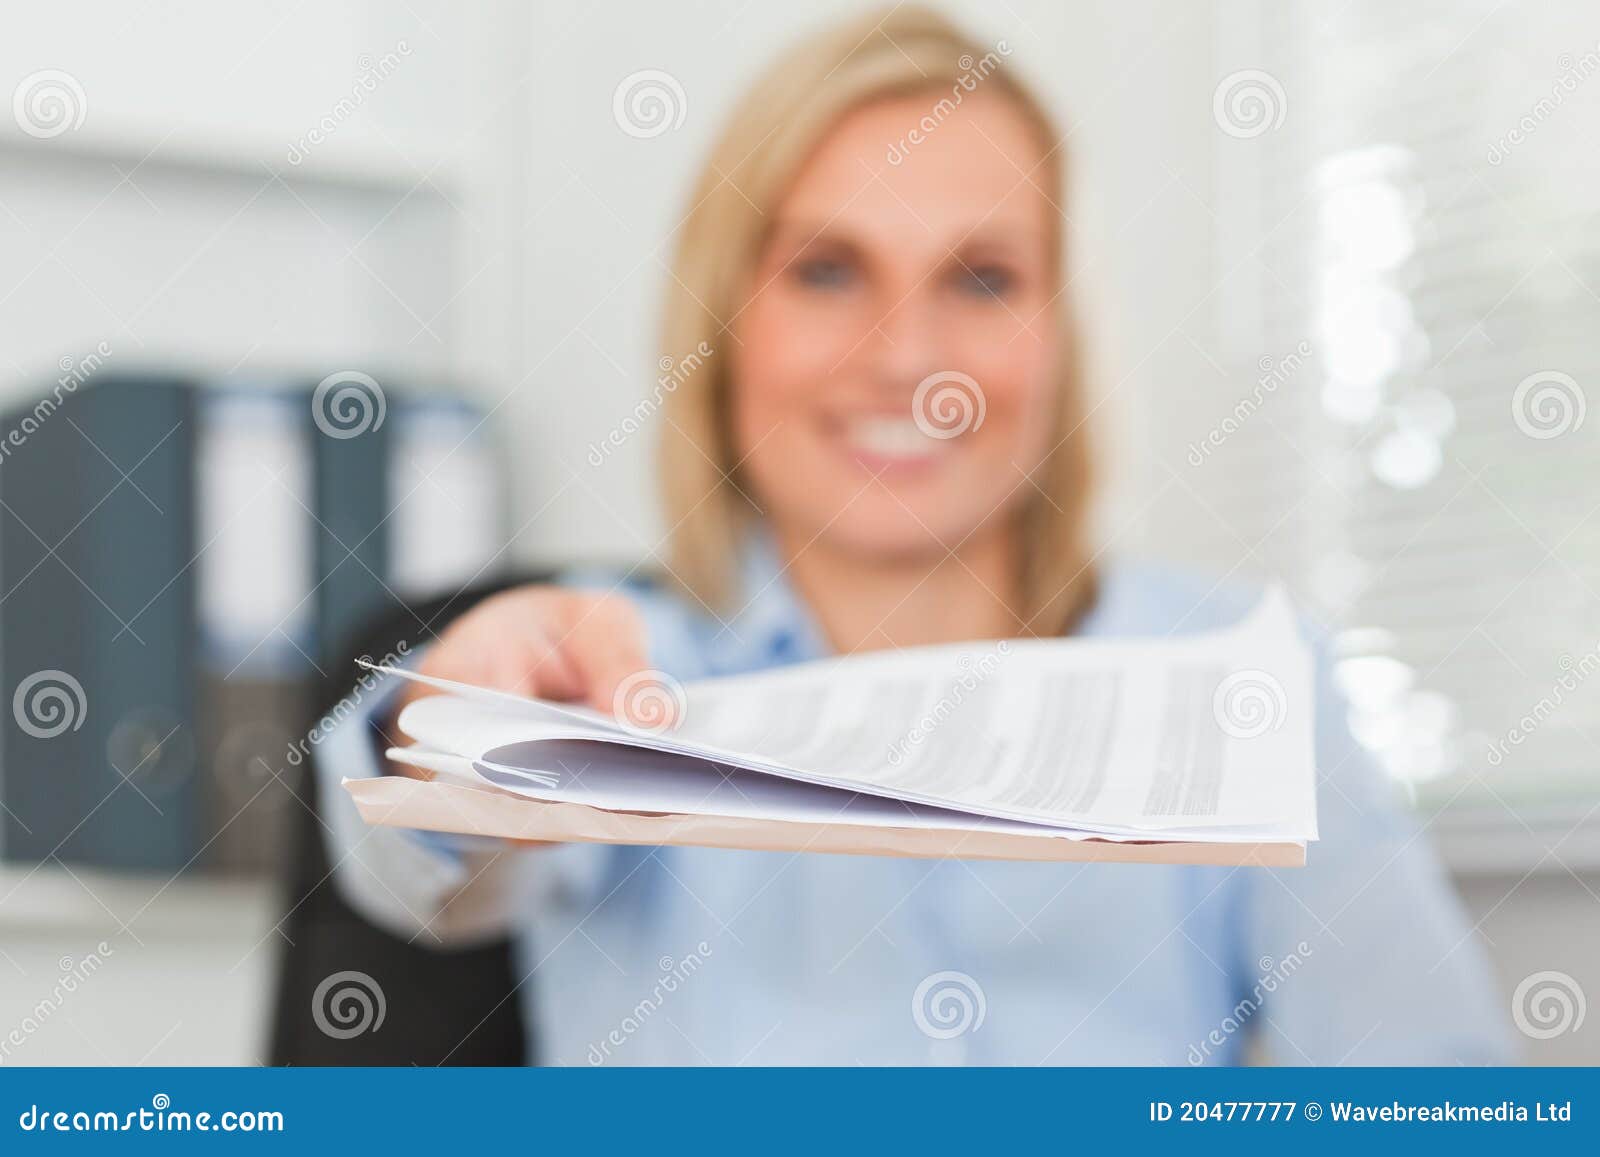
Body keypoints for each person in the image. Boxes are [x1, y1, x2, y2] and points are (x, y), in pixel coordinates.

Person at [315, 6, 1512, 1065]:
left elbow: (1433, 1087)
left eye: (981, 278)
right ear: (723, 324)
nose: (904, 356)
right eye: (828, 270)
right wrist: (453, 724)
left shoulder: (1242, 677)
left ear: (1058, 338)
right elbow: (426, 861)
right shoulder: (615, 670)